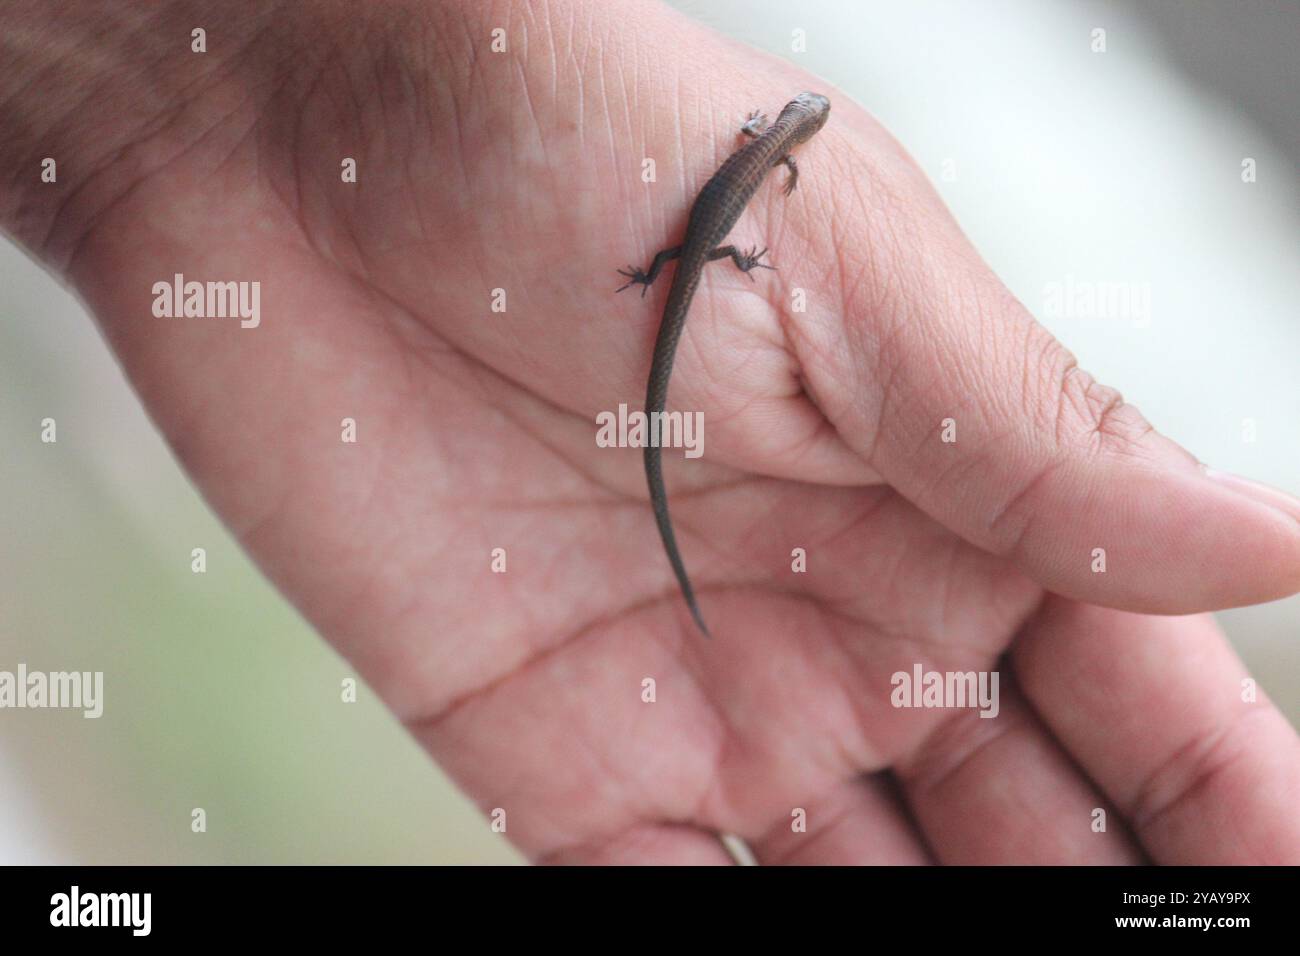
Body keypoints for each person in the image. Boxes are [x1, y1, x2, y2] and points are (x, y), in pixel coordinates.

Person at [2, 0, 1296, 864]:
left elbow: (745, 173)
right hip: (693, 256)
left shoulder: (763, 148)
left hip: (693, 256)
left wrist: (201, 84)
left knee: (683, 291)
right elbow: (757, 175)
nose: (799, 137)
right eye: (801, 135)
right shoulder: (777, 157)